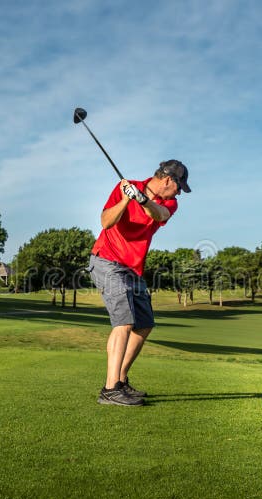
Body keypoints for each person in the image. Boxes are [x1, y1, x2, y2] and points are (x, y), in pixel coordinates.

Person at [88, 159, 191, 406]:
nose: (180, 193)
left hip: (133, 268)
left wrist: (142, 200)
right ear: (168, 180)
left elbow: (160, 213)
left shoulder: (169, 203)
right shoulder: (125, 187)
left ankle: (121, 380)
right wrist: (126, 199)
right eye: (179, 187)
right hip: (107, 260)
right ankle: (110, 389)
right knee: (124, 321)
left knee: (144, 324)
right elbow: (105, 222)